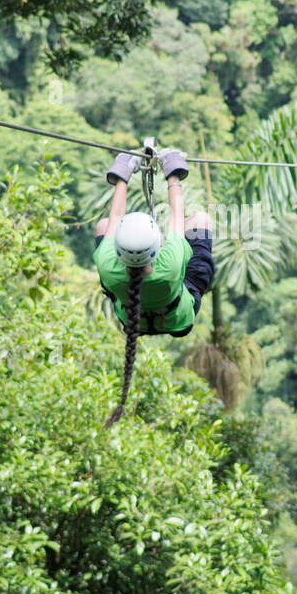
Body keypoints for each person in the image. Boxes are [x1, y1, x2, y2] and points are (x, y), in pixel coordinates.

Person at [93, 148, 215, 427]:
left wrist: (123, 173)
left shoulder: (109, 264)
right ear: (156, 248)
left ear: (119, 251)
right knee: (200, 222)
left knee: (102, 226)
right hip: (179, 317)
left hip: (133, 318)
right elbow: (177, 214)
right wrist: (172, 172)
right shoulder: (169, 264)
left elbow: (114, 218)